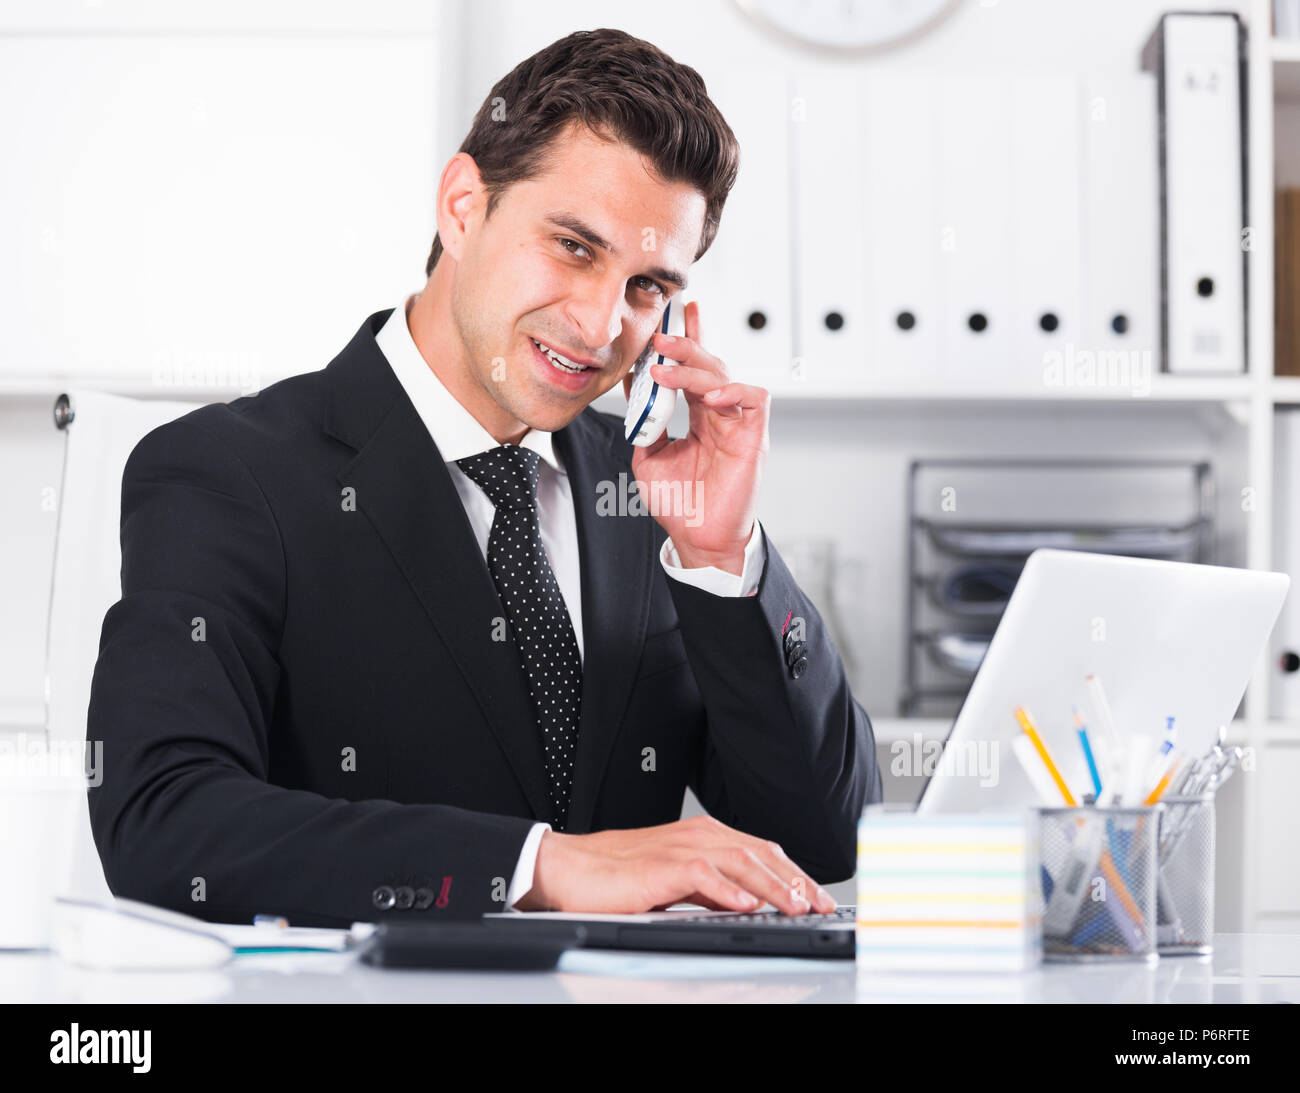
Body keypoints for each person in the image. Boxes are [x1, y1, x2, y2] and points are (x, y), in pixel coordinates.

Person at [87, 27, 882, 929]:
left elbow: (826, 834)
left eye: (647, 286)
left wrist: (717, 551)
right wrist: (539, 865)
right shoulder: (229, 474)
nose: (598, 323)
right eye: (576, 247)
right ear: (464, 207)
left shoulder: (649, 493)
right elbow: (162, 820)